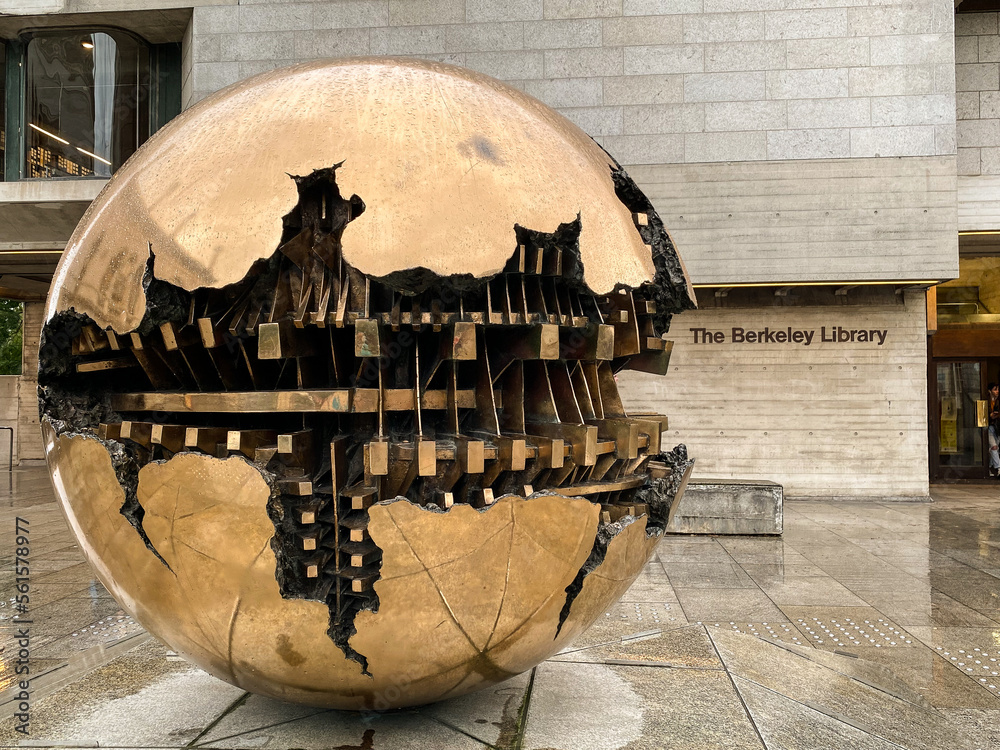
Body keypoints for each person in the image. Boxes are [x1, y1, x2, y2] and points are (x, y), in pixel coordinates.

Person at [989, 382, 1000, 478]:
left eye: (998, 389)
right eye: (995, 389)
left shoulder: (998, 401)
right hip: (989, 426)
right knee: (994, 447)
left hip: (997, 427)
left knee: (996, 448)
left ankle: (990, 467)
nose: (997, 391)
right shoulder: (988, 400)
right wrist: (990, 415)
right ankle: (998, 467)